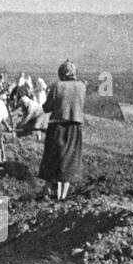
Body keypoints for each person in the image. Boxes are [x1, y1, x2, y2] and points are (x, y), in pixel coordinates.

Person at [39, 59, 86, 201]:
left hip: (57, 126)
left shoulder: (56, 86)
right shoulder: (82, 86)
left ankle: (47, 192)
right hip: (75, 127)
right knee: (69, 160)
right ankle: (62, 196)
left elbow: (46, 107)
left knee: (51, 158)